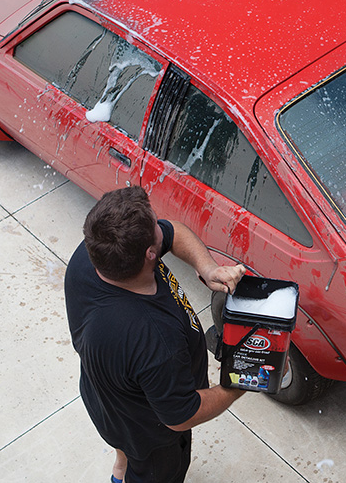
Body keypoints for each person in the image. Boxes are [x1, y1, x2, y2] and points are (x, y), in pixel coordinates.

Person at [65, 186, 247, 483]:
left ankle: (120, 471)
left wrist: (208, 268)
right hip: (151, 437)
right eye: (155, 225)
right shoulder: (155, 342)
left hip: (103, 397)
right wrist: (237, 387)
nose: (161, 225)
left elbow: (172, 233)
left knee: (123, 445)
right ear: (151, 254)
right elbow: (181, 415)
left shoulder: (93, 256)